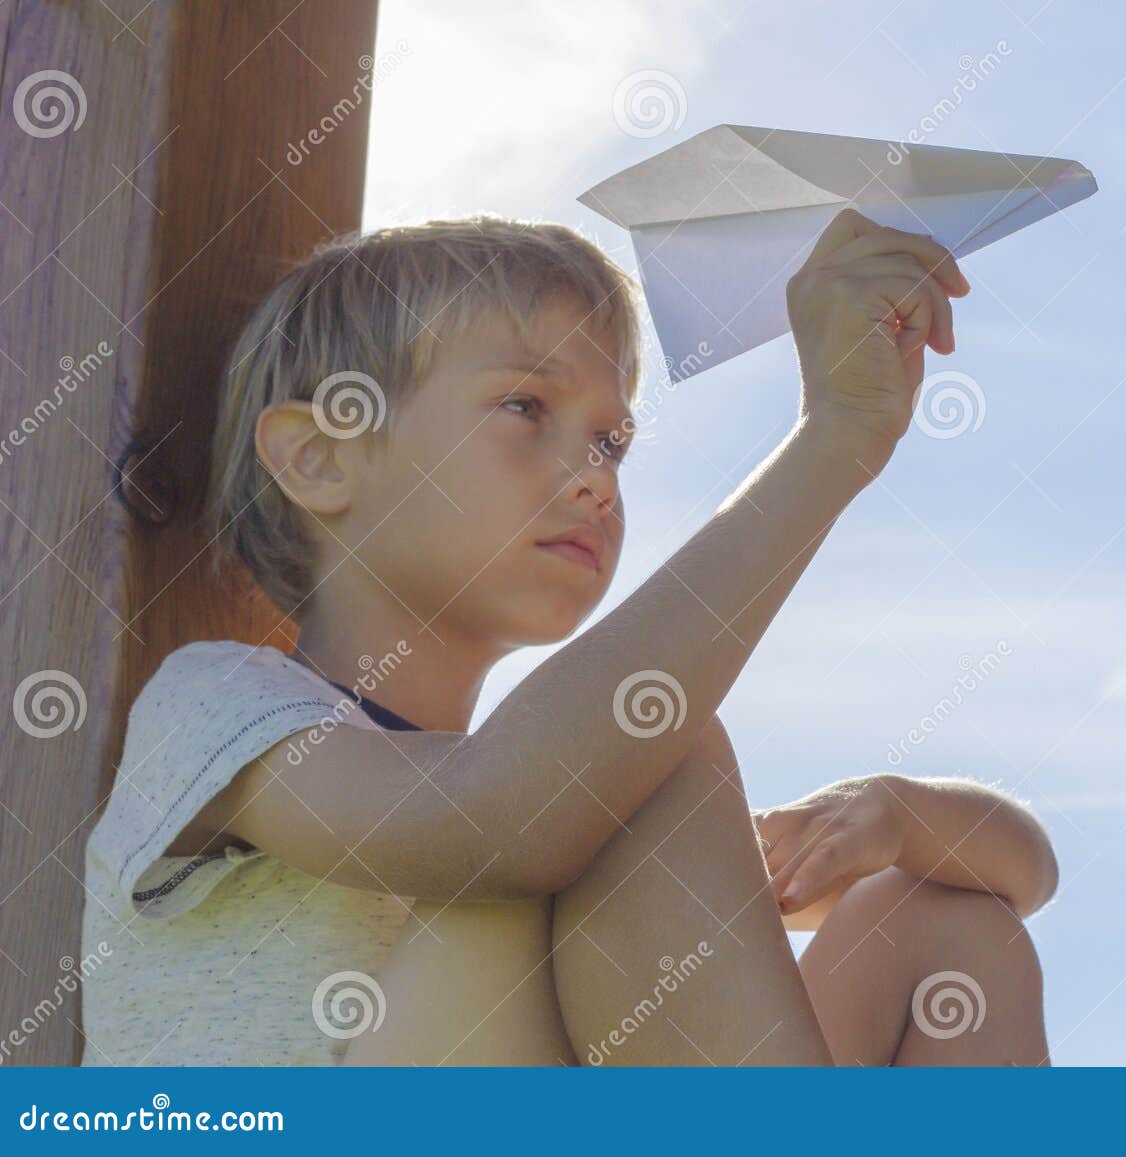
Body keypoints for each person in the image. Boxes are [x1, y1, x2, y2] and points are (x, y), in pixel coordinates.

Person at [80, 208, 1057, 1067]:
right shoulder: (218, 701)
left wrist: (890, 811)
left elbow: (1026, 874)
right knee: (636, 761)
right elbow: (496, 818)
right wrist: (833, 442)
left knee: (946, 924)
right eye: (525, 408)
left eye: (612, 442)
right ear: (320, 455)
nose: (592, 475)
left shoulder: (580, 806)